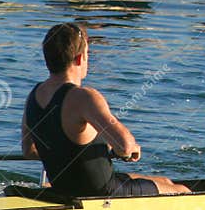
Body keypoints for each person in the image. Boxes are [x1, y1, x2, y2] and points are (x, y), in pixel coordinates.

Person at [21, 23, 189, 196]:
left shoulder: (33, 96)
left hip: (61, 188)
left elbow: (29, 151)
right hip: (103, 194)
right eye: (87, 53)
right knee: (182, 191)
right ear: (80, 58)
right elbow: (124, 146)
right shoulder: (85, 97)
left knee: (164, 182)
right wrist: (130, 149)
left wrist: (66, 154)